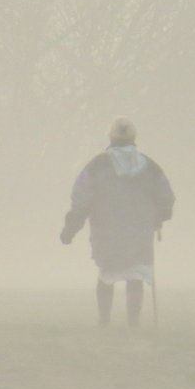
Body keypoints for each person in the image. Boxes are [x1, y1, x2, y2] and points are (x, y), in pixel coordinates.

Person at [60, 117, 175, 327]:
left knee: (107, 274)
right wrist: (159, 217)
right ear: (134, 138)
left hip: (107, 230)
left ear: (111, 137)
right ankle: (134, 323)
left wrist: (70, 228)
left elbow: (81, 198)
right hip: (140, 231)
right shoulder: (149, 166)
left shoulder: (98, 165)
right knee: (136, 274)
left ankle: (104, 321)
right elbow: (165, 197)